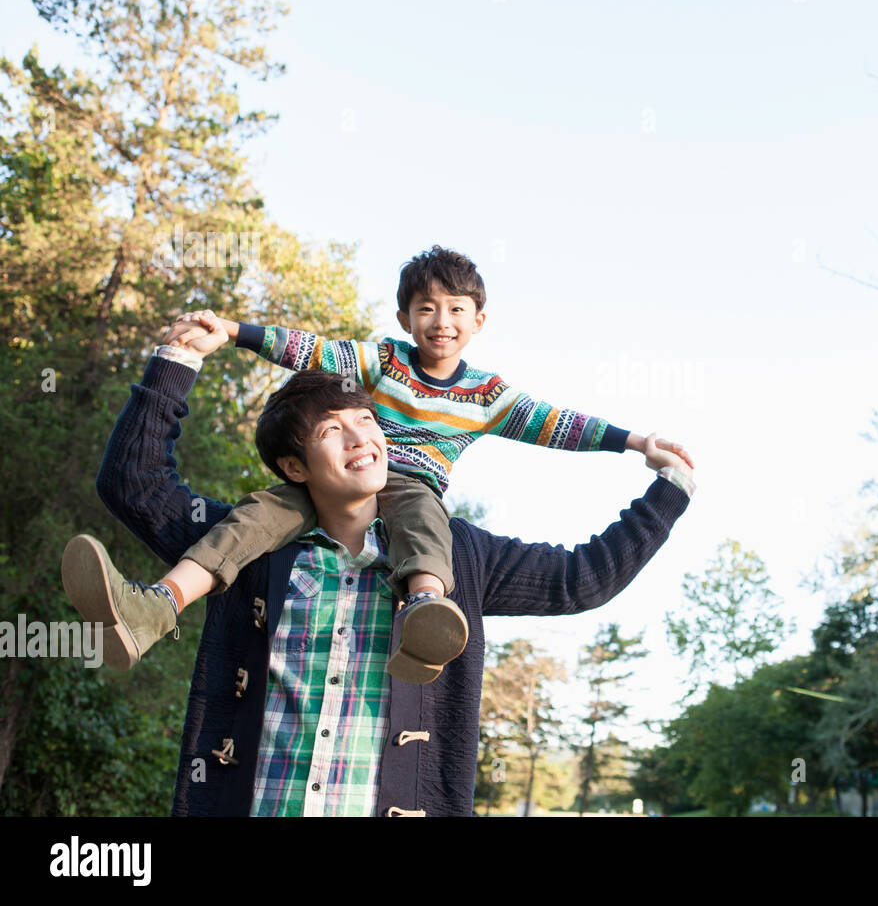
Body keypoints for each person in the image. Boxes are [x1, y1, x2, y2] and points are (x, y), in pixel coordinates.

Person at [65, 319, 695, 815]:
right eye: (331, 431)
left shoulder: (460, 555)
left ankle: (423, 612)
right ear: (293, 467)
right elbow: (134, 481)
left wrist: (667, 490)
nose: (360, 437)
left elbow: (579, 579)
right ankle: (154, 607)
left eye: (367, 421)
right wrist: (179, 360)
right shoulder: (251, 546)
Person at [67, 244, 690, 685]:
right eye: (425, 309)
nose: (439, 322)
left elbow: (559, 426)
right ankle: (156, 606)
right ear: (404, 319)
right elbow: (310, 349)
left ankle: (423, 610)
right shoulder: (382, 362)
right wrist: (233, 331)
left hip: (410, 484)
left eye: (454, 310)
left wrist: (637, 444)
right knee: (253, 519)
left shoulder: (488, 396)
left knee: (422, 516)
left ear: (478, 321)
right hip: (329, 489)